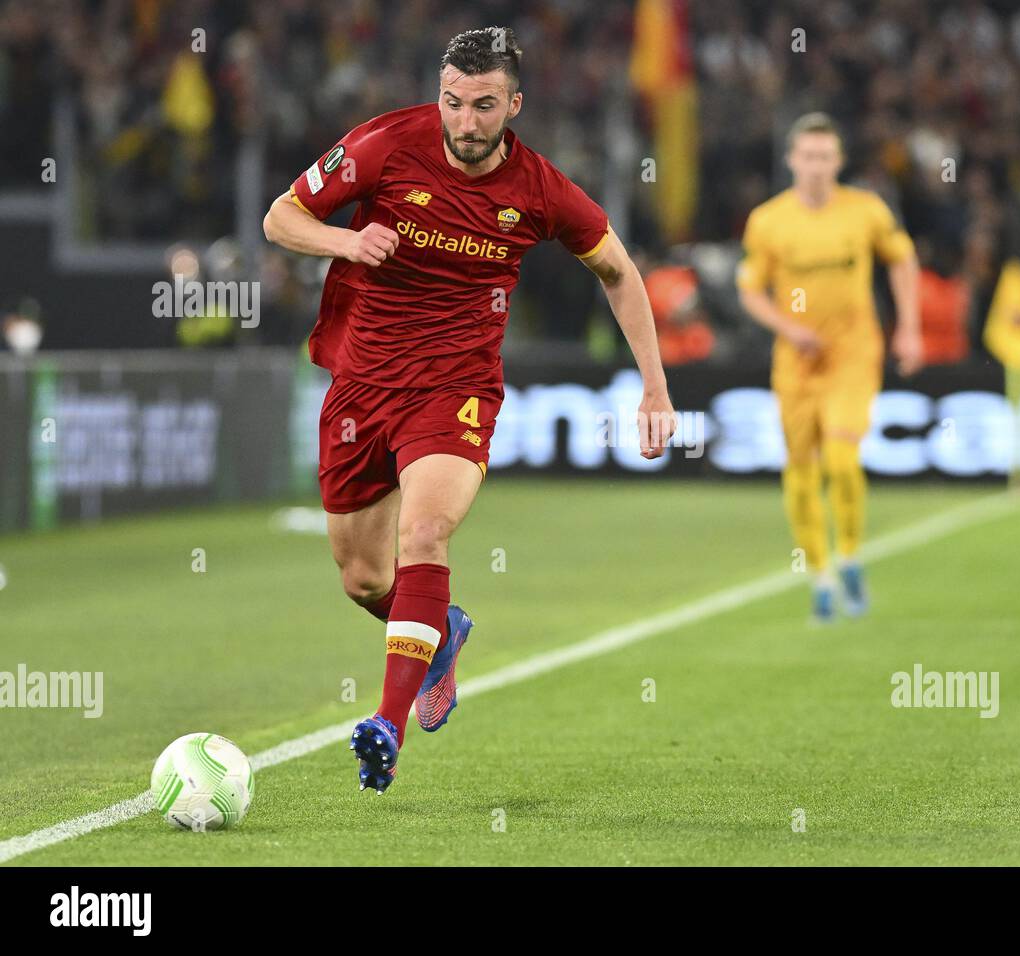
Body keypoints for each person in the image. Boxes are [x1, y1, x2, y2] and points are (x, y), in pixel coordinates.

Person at [263, 27, 675, 793]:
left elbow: (618, 270)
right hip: (360, 387)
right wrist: (341, 244)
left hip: (455, 390)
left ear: (514, 105)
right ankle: (440, 631)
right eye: (454, 102)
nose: (465, 122)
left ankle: (384, 724)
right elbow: (280, 216)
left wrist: (654, 384)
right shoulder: (384, 145)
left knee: (426, 532)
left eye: (484, 106)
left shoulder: (542, 190)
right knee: (361, 578)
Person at [736, 112, 921, 622]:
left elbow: (902, 261)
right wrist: (789, 328)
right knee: (800, 472)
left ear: (838, 161)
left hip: (853, 354)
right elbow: (750, 289)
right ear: (793, 160)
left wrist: (909, 327)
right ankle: (820, 576)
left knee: (841, 459)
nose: (816, 166)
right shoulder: (769, 221)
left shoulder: (865, 211)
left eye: (825, 156)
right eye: (808, 156)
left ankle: (851, 555)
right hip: (796, 361)